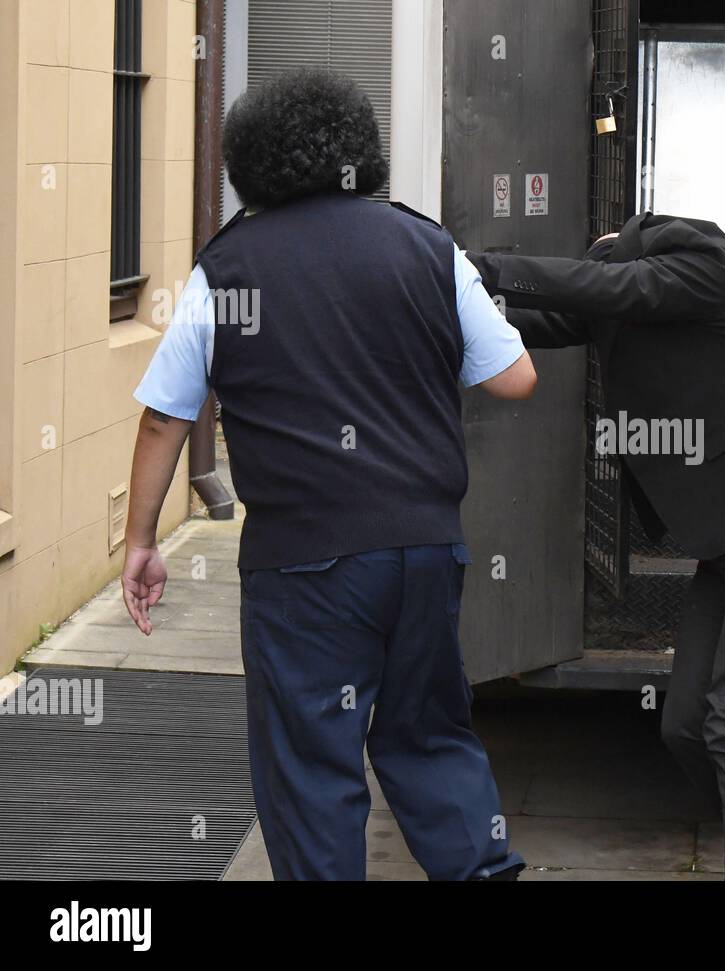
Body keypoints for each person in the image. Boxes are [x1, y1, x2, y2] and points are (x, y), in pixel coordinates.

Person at [122, 68, 535, 880]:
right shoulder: (426, 246)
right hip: (424, 548)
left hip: (303, 564)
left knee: (311, 760)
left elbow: (166, 416)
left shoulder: (226, 270)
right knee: (429, 733)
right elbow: (514, 377)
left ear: (250, 163)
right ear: (359, 151)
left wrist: (141, 539)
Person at [468, 214, 725, 880]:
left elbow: (620, 290)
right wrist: (444, 295)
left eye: (613, 255)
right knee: (686, 725)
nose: (604, 261)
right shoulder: (628, 298)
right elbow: (544, 317)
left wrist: (481, 263)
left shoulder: (706, 265)